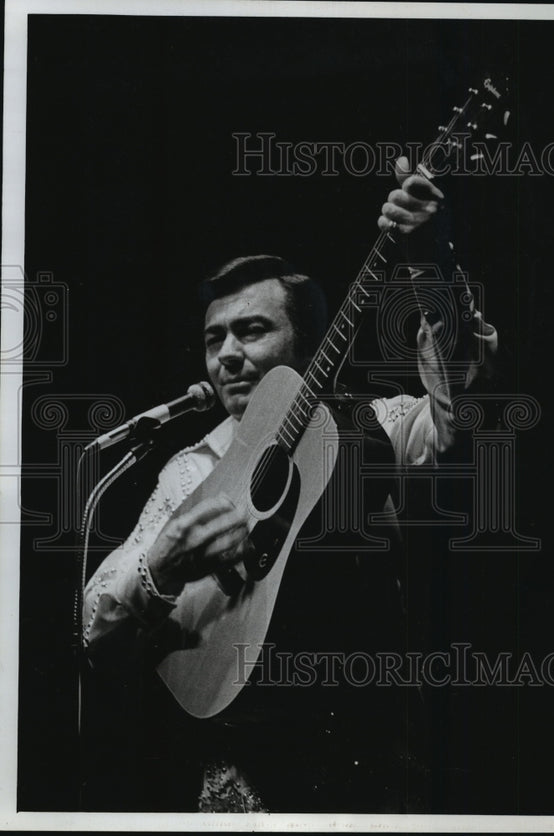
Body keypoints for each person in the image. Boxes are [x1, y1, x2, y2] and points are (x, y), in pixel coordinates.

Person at [82, 158, 497, 813]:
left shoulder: (372, 425)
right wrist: (161, 565)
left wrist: (430, 263)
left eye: (251, 330)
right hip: (246, 777)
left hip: (380, 756)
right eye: (214, 337)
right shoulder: (191, 468)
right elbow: (95, 620)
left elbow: (459, 417)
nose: (227, 355)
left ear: (304, 344)